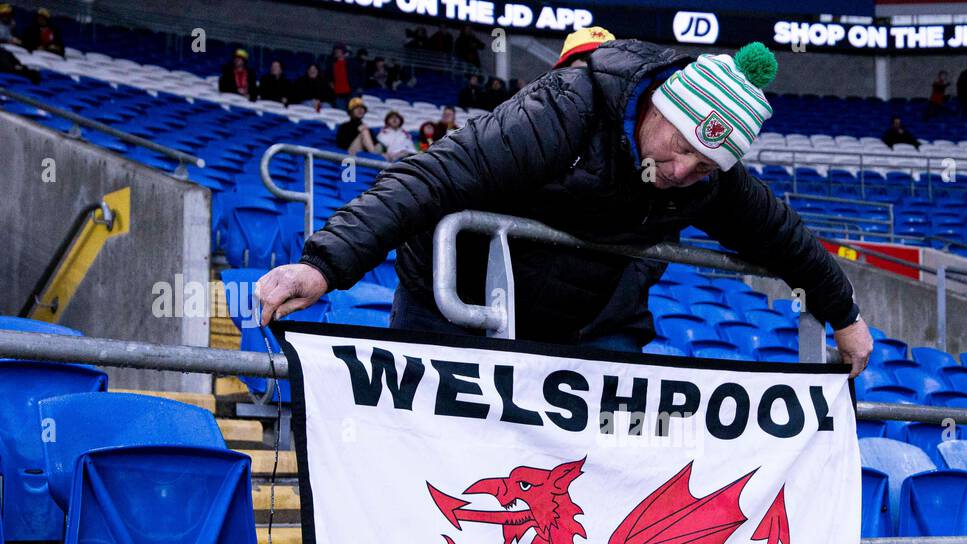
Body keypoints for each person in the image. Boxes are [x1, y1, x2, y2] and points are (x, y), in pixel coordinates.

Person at [255, 40, 871, 373]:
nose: (680, 172)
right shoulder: (564, 108)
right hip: (451, 301)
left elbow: (784, 239)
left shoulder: (705, 178)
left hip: (563, 327)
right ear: (657, 106)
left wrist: (844, 316)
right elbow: (437, 174)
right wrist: (325, 265)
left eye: (704, 167)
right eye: (679, 147)